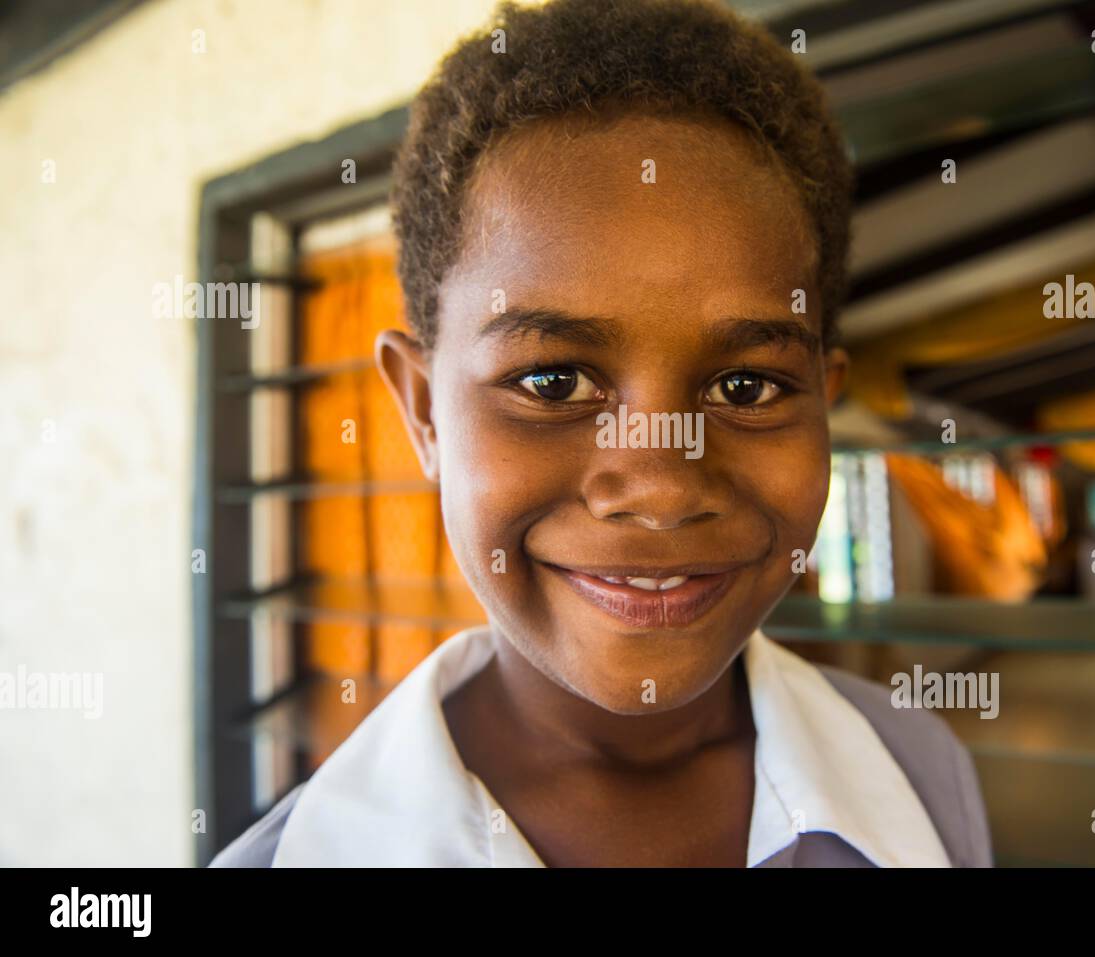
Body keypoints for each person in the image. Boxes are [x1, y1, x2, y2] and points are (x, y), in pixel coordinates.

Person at [211, 0, 992, 868]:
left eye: (746, 386)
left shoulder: (919, 772)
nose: (660, 486)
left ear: (823, 401)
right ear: (424, 409)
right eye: (552, 382)